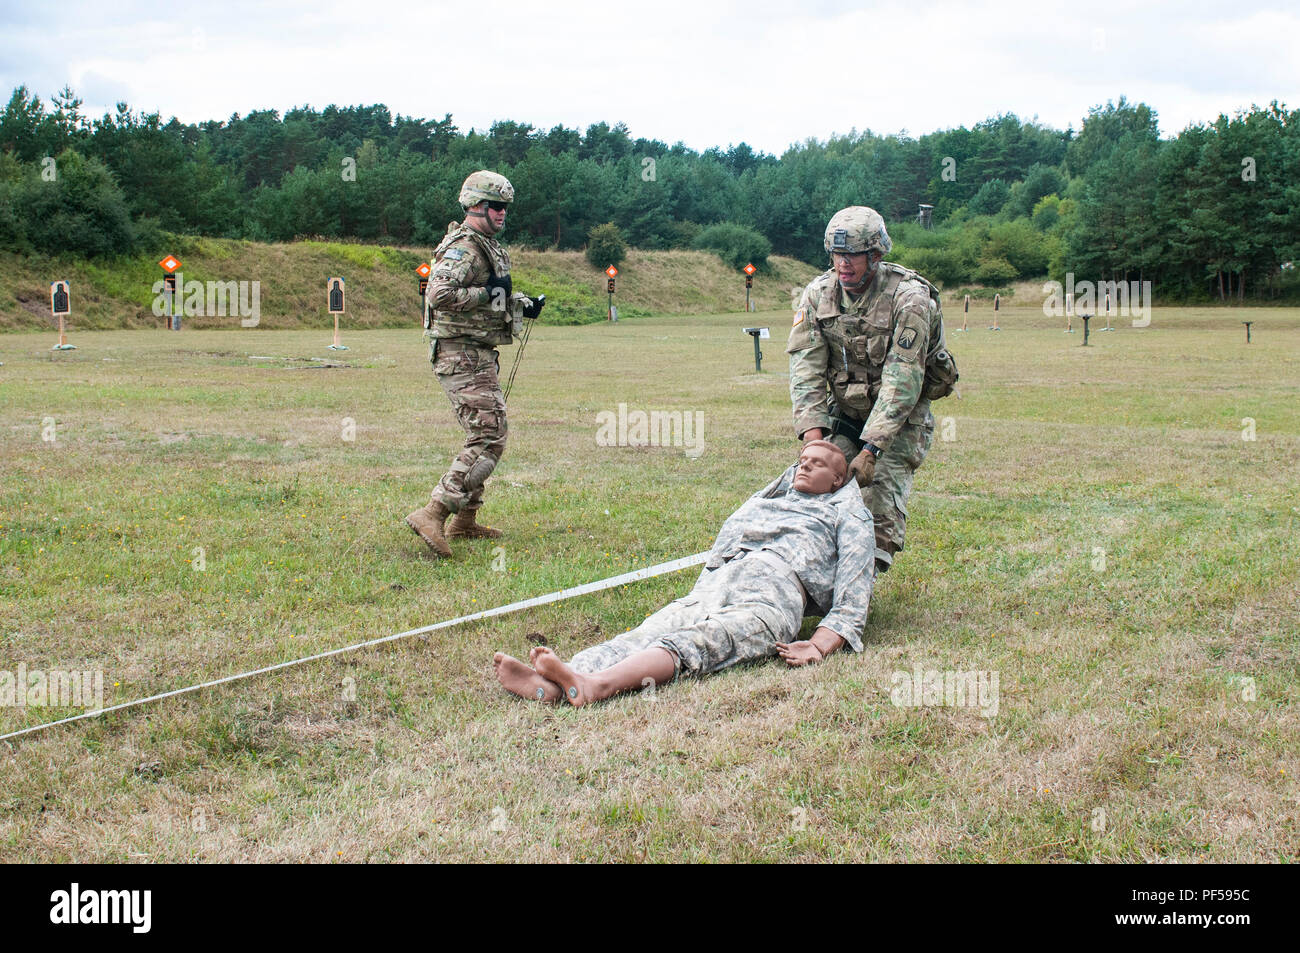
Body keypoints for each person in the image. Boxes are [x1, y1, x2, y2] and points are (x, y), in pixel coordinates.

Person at [492, 440, 874, 706]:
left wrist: (820, 643)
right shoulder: (769, 500)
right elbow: (726, 540)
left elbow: (854, 595)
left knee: (700, 640)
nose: (803, 466)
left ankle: (596, 687)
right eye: (801, 460)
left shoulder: (847, 514)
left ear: (838, 481)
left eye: (817, 464)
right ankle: (562, 681)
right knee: (651, 629)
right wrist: (707, 586)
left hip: (773, 596)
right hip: (721, 580)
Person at [787, 206, 958, 575]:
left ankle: (857, 592)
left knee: (879, 506)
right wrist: (813, 441)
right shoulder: (818, 295)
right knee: (810, 488)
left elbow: (902, 379)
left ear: (876, 255)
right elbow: (807, 368)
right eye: (837, 255)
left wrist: (872, 449)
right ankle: (808, 574)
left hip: (900, 418)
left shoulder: (909, 299)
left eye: (853, 256)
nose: (843, 264)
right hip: (846, 411)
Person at [405, 170, 545, 558]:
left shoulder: (485, 243)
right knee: (489, 436)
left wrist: (520, 304)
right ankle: (434, 512)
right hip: (459, 352)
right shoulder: (465, 246)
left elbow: (491, 295)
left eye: (506, 208)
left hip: (477, 351)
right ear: (476, 206)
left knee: (487, 430)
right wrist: (488, 293)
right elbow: (439, 293)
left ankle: (465, 520)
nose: (503, 214)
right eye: (496, 207)